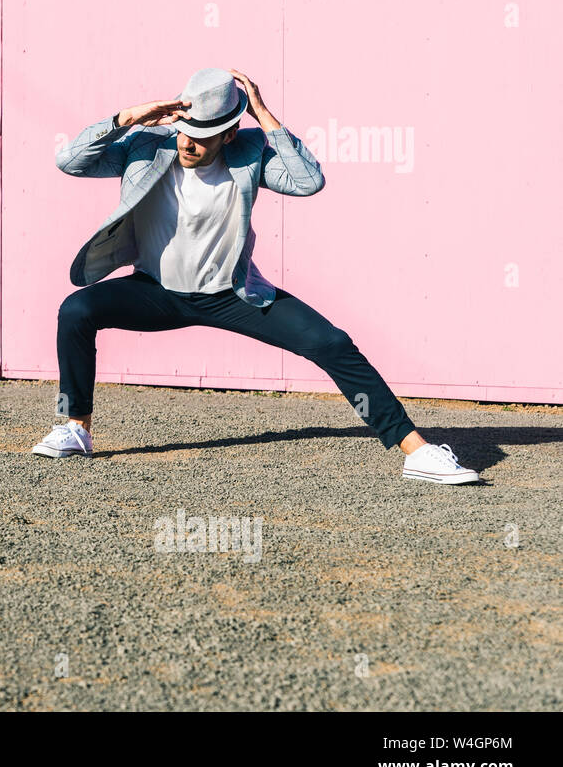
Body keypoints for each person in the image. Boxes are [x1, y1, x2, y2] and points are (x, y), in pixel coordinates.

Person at [31, 67, 479, 484]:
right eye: (185, 132)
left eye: (204, 137)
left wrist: (266, 118)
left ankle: (416, 450)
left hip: (234, 294)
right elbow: (70, 160)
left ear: (229, 133)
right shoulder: (148, 147)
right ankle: (76, 427)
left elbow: (308, 181)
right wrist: (127, 117)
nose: (189, 144)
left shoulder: (249, 156)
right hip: (157, 290)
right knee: (77, 310)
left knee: (333, 343)